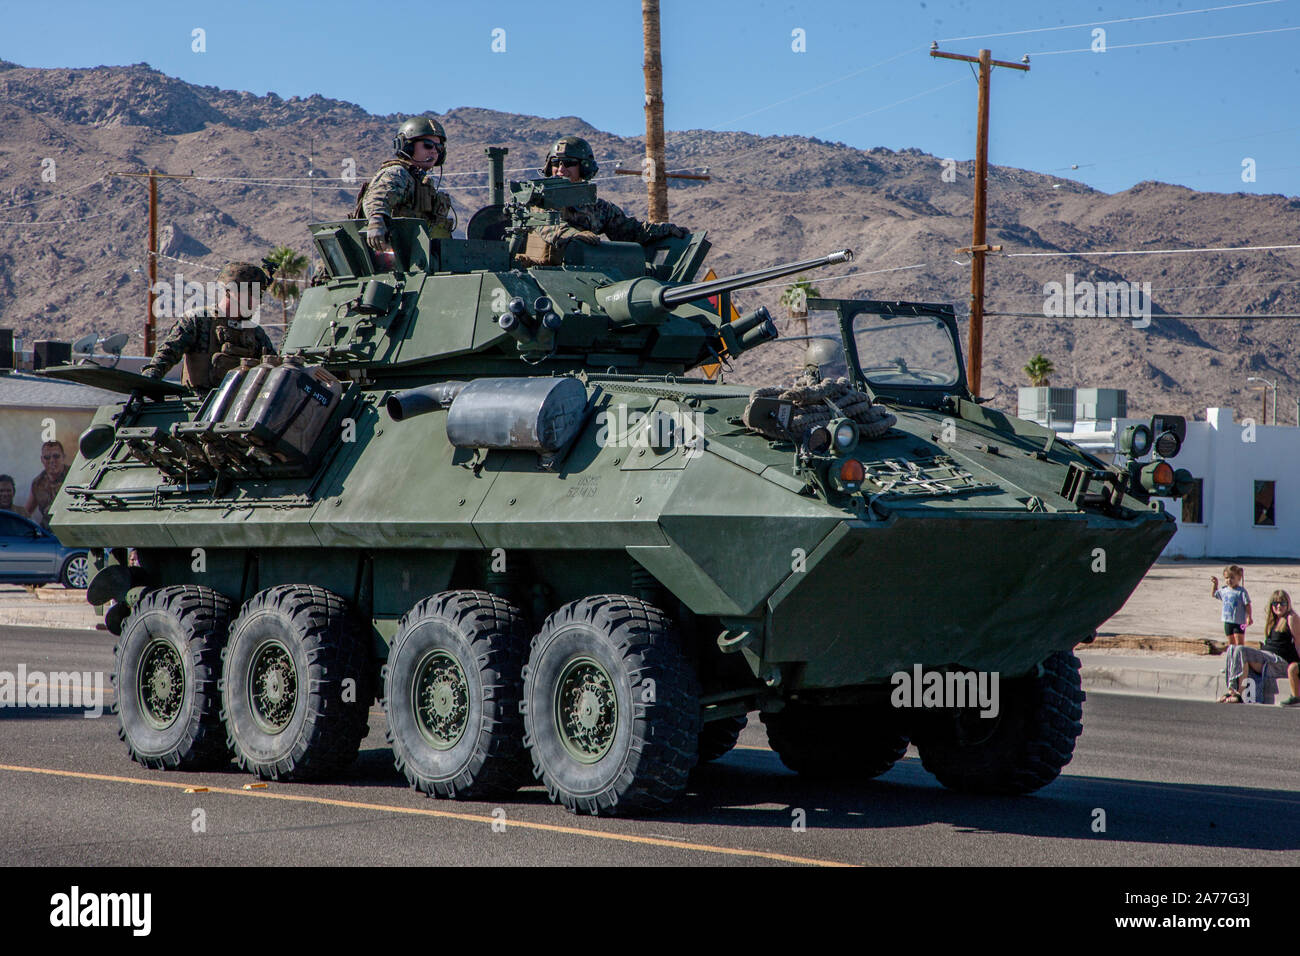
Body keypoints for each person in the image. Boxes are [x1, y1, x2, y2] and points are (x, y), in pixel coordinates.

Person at [534, 135, 688, 252]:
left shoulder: (598, 209)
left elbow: (631, 231)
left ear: (584, 167)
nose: (560, 169)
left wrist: (665, 230)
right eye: (555, 163)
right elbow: (548, 227)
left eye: (568, 163)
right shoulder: (538, 200)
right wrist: (573, 235)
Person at [141, 262, 276, 391]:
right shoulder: (198, 321)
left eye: (260, 295)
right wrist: (147, 382)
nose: (258, 301)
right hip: (199, 405)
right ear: (232, 291)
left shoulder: (256, 334)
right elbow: (167, 354)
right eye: (254, 294)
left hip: (238, 407)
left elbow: (274, 369)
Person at [355, 117, 454, 252]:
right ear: (408, 146)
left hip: (415, 256)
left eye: (439, 147)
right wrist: (376, 221)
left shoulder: (419, 181)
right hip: (390, 256)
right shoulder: (397, 173)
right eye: (428, 145)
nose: (434, 151)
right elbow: (377, 197)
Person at [1220, 589, 1300, 705]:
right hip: (1268, 659)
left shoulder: (1291, 618)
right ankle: (1234, 692)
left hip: (1280, 662)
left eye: (1282, 603)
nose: (1279, 606)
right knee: (1233, 650)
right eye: (1275, 603)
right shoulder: (1273, 621)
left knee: (1240, 650)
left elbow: (1298, 643)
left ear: (1288, 604)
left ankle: (1237, 693)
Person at [25, 441, 69, 529]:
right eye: (47, 457)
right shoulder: (38, 483)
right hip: (48, 533)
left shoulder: (74, 476)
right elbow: (26, 513)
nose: (52, 461)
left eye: (56, 456)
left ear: (63, 457)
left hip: (70, 529)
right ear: (42, 460)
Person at [1210, 565, 1251, 647]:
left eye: (1232, 578)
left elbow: (1247, 605)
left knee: (1239, 642)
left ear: (1239, 578)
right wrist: (1215, 584)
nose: (1229, 580)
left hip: (1240, 622)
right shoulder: (1224, 590)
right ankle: (1232, 657)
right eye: (1227, 578)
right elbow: (1214, 594)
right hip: (1227, 621)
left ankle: (1240, 656)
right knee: (1231, 643)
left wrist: (1248, 617)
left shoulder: (1241, 591)